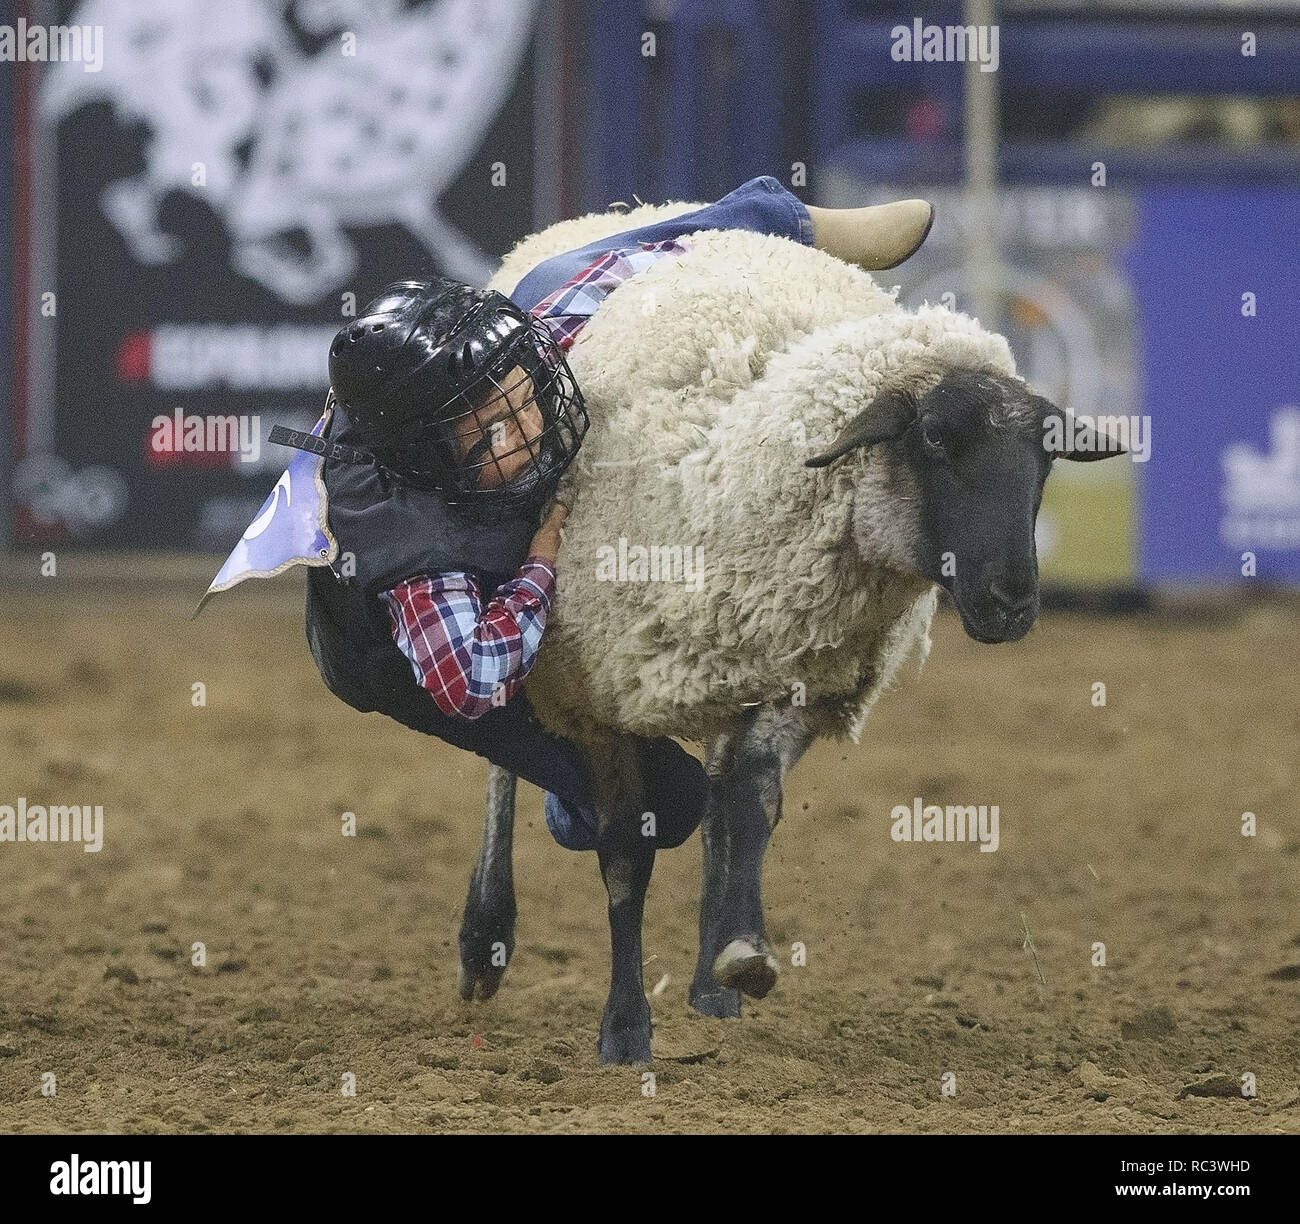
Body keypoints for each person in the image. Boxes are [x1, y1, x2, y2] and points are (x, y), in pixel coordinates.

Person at [275, 177, 934, 851]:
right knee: (667, 805)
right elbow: (470, 681)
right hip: (409, 658)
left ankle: (780, 210)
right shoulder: (415, 556)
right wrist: (540, 561)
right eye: (498, 428)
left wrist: (768, 222)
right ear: (432, 454)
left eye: (521, 388)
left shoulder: (492, 365)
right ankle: (575, 803)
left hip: (481, 507)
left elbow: (632, 261)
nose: (532, 417)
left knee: (566, 275)